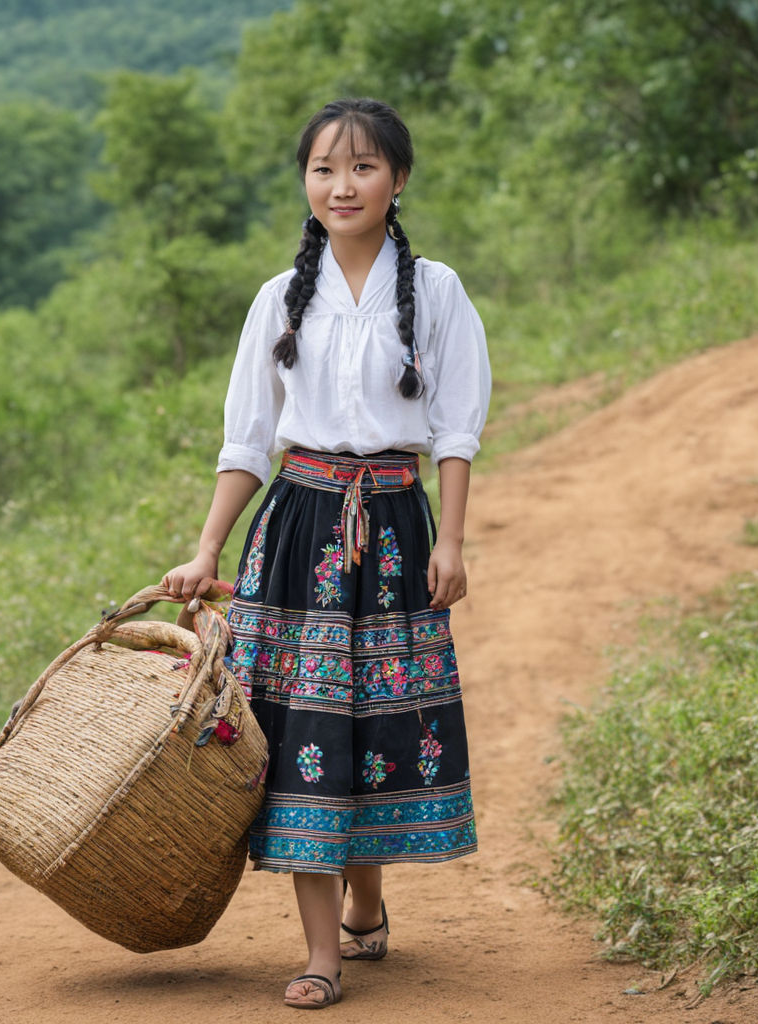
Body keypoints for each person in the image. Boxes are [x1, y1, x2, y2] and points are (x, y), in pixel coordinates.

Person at [162, 97, 491, 1009]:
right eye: (323, 169)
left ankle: (368, 895)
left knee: (377, 722)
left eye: (362, 168)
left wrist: (453, 539)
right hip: (297, 527)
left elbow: (457, 431)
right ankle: (320, 955)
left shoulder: (440, 291)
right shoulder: (279, 297)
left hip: (393, 527)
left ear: (399, 180)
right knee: (299, 731)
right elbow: (247, 442)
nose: (341, 186)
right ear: (305, 183)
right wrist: (204, 548)